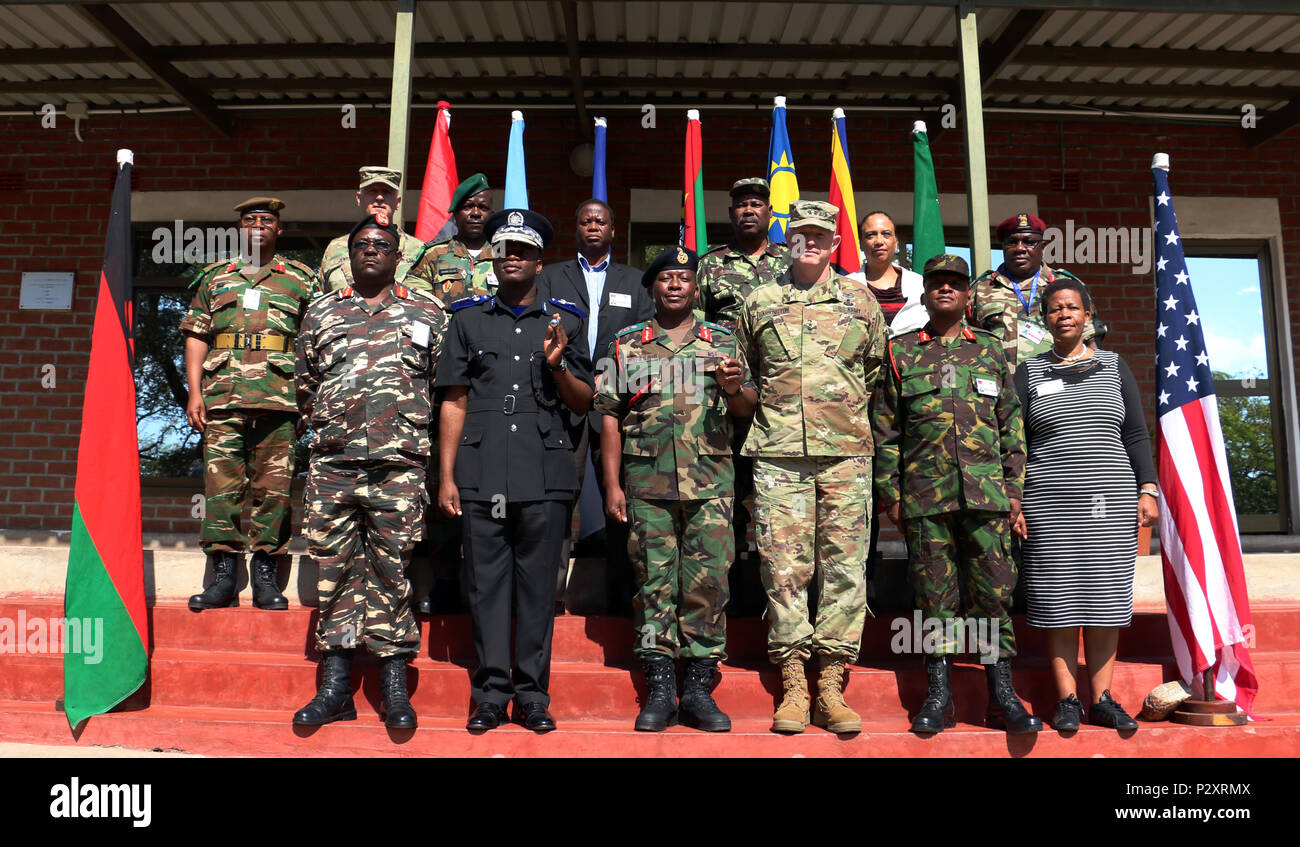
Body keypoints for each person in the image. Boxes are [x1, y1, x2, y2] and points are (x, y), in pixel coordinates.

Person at [436, 209, 594, 733]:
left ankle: (531, 695)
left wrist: (556, 364)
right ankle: (489, 695)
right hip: (482, 473)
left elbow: (584, 401)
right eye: (504, 250)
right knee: (484, 588)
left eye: (522, 251)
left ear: (539, 260)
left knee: (536, 590)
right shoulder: (466, 318)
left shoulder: (566, 318)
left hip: (544, 474)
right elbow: (454, 400)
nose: (511, 259)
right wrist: (447, 475)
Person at [873, 254, 1041, 736]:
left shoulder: (989, 350)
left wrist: (1013, 491)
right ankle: (939, 695)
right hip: (925, 498)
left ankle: (1002, 695)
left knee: (993, 596)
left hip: (986, 497)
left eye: (955, 283)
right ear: (924, 294)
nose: (946, 290)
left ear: (968, 295)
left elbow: (1011, 424)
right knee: (935, 598)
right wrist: (892, 495)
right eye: (937, 283)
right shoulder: (900, 352)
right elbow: (885, 429)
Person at [291, 212, 447, 730]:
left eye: (382, 244)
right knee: (332, 569)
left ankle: (393, 686)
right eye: (362, 245)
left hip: (399, 465)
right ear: (349, 255)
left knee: (392, 571)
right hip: (334, 464)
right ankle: (335, 687)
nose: (372, 251)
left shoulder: (428, 311)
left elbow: (444, 387)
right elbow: (305, 385)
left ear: (398, 256)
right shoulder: (321, 313)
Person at [737, 200, 887, 735]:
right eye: (801, 233)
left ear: (834, 241)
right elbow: (746, 376)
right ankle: (794, 681)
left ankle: (831, 680)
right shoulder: (759, 302)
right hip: (778, 454)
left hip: (846, 454)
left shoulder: (861, 300)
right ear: (790, 239)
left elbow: (872, 372)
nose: (811, 242)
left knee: (845, 567)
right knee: (783, 567)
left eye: (821, 234)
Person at [594, 247, 756, 732]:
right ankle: (661, 689)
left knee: (709, 584)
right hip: (647, 483)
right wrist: (611, 485)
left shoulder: (722, 340)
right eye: (665, 278)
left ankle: (701, 691)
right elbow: (608, 413)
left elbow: (747, 408)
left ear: (695, 287)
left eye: (684, 278)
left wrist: (732, 387)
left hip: (711, 484)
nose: (675, 286)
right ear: (652, 288)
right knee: (652, 584)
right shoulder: (627, 343)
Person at [1012, 278, 1157, 733]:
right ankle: (1068, 699)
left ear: (1087, 313)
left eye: (1072, 307)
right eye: (1055, 309)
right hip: (1048, 503)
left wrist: (1148, 487)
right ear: (1045, 318)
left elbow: (1134, 433)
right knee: (1058, 602)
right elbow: (1014, 442)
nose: (1064, 315)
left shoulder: (1115, 367)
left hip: (1108, 504)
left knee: (1104, 602)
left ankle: (1104, 699)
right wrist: (1014, 501)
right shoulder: (1028, 372)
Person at [181, 197, 317, 612]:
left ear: (280, 230)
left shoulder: (300, 280)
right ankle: (223, 576)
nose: (258, 225)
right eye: (250, 219)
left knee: (273, 493)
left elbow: (313, 341)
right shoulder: (215, 278)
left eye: (267, 220)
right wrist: (194, 391)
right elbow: (197, 335)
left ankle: (265, 578)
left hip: (280, 400)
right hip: (222, 399)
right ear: (239, 228)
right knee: (220, 490)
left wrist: (310, 395)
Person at [540, 198, 651, 614]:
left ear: (612, 230)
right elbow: (543, 332)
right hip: (564, 398)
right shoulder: (551, 278)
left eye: (600, 221)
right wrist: (566, 372)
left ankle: (622, 597)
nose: (592, 226)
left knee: (620, 500)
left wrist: (617, 373)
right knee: (557, 498)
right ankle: (548, 596)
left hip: (616, 403)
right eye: (585, 220)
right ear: (576, 228)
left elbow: (643, 334)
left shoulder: (636, 281)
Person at [697, 178, 792, 617]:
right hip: (727, 403)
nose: (748, 211)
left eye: (756, 204)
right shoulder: (710, 265)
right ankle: (730, 599)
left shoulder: (790, 262)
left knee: (778, 501)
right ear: (731, 213)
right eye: (740, 205)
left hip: (782, 402)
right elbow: (696, 332)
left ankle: (778, 599)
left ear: (770, 212)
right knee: (729, 496)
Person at [969, 212, 1093, 372]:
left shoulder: (1067, 286)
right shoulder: (981, 288)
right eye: (1012, 242)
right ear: (1003, 247)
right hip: (1000, 387)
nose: (1020, 248)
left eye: (1029, 242)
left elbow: (1091, 339)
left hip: (1056, 384)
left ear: (1043, 247)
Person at [317, 166, 427, 293]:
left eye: (386, 192)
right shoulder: (335, 249)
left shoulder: (419, 250)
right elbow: (326, 297)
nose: (379, 197)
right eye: (372, 191)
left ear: (398, 202)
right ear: (358, 198)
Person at [409, 172, 497, 302]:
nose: (476, 213)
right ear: (455, 214)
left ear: (492, 214)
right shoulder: (432, 254)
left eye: (483, 207)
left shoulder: (505, 254)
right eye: (468, 207)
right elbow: (417, 304)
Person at [856, 210, 927, 337]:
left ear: (896, 242)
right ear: (861, 243)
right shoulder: (845, 286)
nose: (879, 241)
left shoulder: (920, 285)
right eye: (871, 235)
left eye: (886, 234)